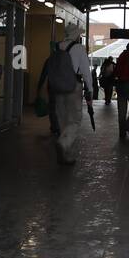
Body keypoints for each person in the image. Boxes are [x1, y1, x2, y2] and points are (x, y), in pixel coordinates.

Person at [49, 22, 93, 165]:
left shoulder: (56, 46)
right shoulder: (78, 48)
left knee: (62, 118)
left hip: (57, 87)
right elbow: (86, 71)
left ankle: (66, 155)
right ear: (76, 35)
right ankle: (63, 143)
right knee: (74, 120)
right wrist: (90, 89)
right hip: (73, 86)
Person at [34, 39, 62, 137]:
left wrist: (39, 87)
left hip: (53, 87)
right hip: (63, 88)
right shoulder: (66, 59)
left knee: (53, 107)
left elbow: (43, 75)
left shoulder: (49, 60)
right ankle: (59, 126)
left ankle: (55, 127)